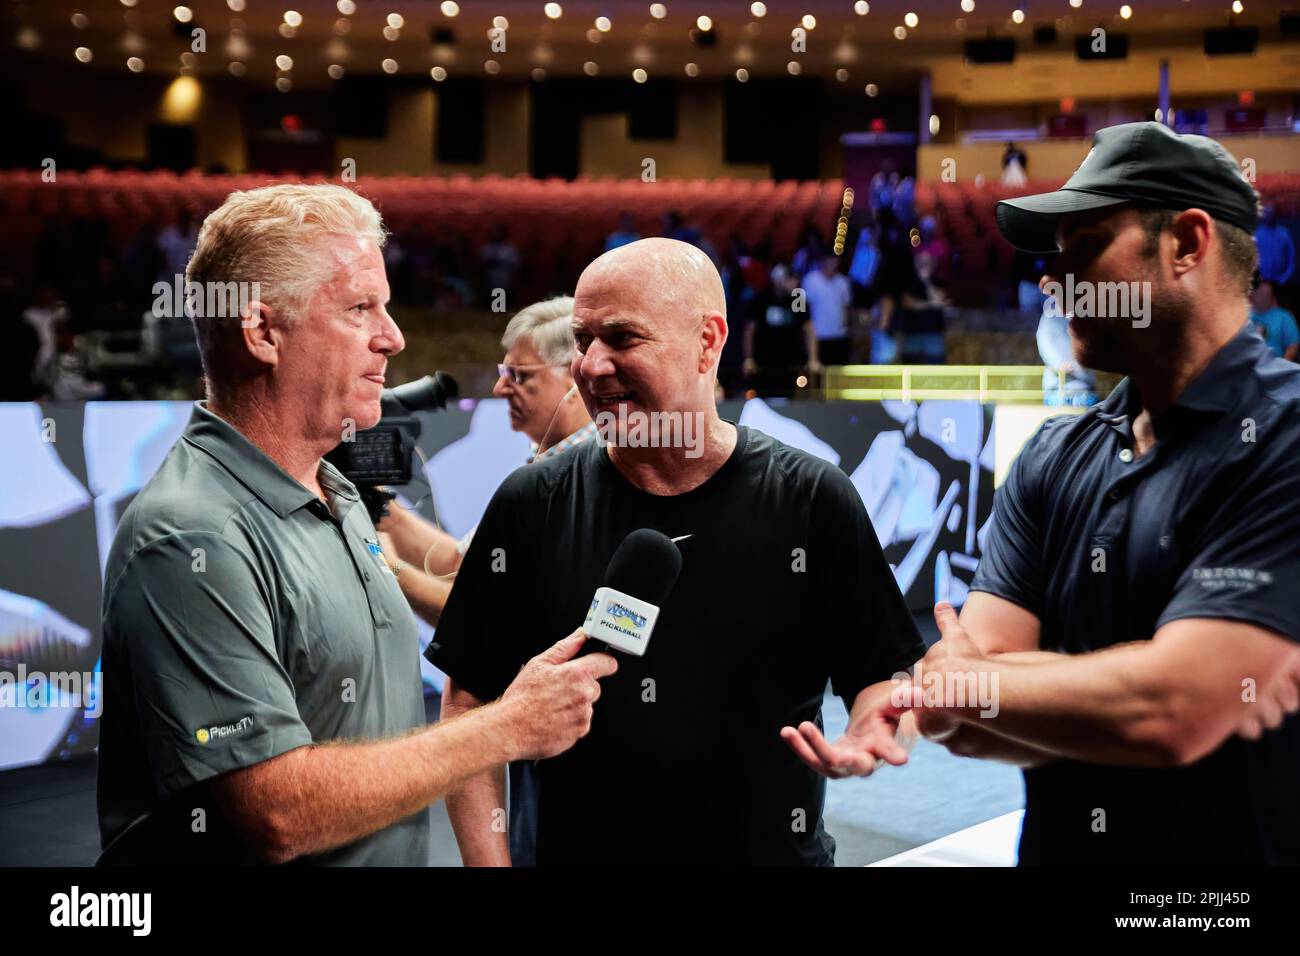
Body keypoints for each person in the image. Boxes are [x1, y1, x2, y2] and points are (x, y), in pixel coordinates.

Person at [791, 122, 1300, 866]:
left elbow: (1174, 710)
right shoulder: (1055, 456)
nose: (1054, 278)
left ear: (1188, 243)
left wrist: (975, 676)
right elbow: (960, 719)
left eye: (1087, 243)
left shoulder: (1285, 434)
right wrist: (985, 686)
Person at [96, 183, 617, 866]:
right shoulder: (189, 535)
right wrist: (508, 727)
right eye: (360, 308)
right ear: (261, 332)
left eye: (387, 308)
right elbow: (279, 811)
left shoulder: (337, 492)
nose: (392, 337)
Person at [430, 237, 924, 867]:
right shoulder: (532, 501)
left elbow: (881, 672)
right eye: (584, 341)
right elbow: (466, 704)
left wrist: (872, 725)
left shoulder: (811, 498)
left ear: (708, 342)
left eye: (622, 338)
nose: (592, 366)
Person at [742, 264, 816, 397]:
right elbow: (750, 330)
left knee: (788, 400)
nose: (794, 283)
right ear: (778, 280)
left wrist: (813, 359)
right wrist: (749, 358)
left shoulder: (797, 299)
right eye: (789, 279)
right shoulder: (763, 298)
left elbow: (808, 330)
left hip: (791, 363)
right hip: (765, 364)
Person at [802, 254, 854, 367]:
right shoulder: (810, 280)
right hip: (818, 338)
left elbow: (846, 308)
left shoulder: (843, 282)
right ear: (823, 261)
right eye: (830, 259)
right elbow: (804, 309)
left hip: (840, 337)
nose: (834, 263)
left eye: (836, 260)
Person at [1248, 278, 1298, 362]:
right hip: (1247, 365)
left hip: (1273, 366)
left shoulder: (1284, 316)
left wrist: (1284, 364)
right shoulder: (1243, 314)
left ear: (1271, 297)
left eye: (1265, 294)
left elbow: (1293, 345)